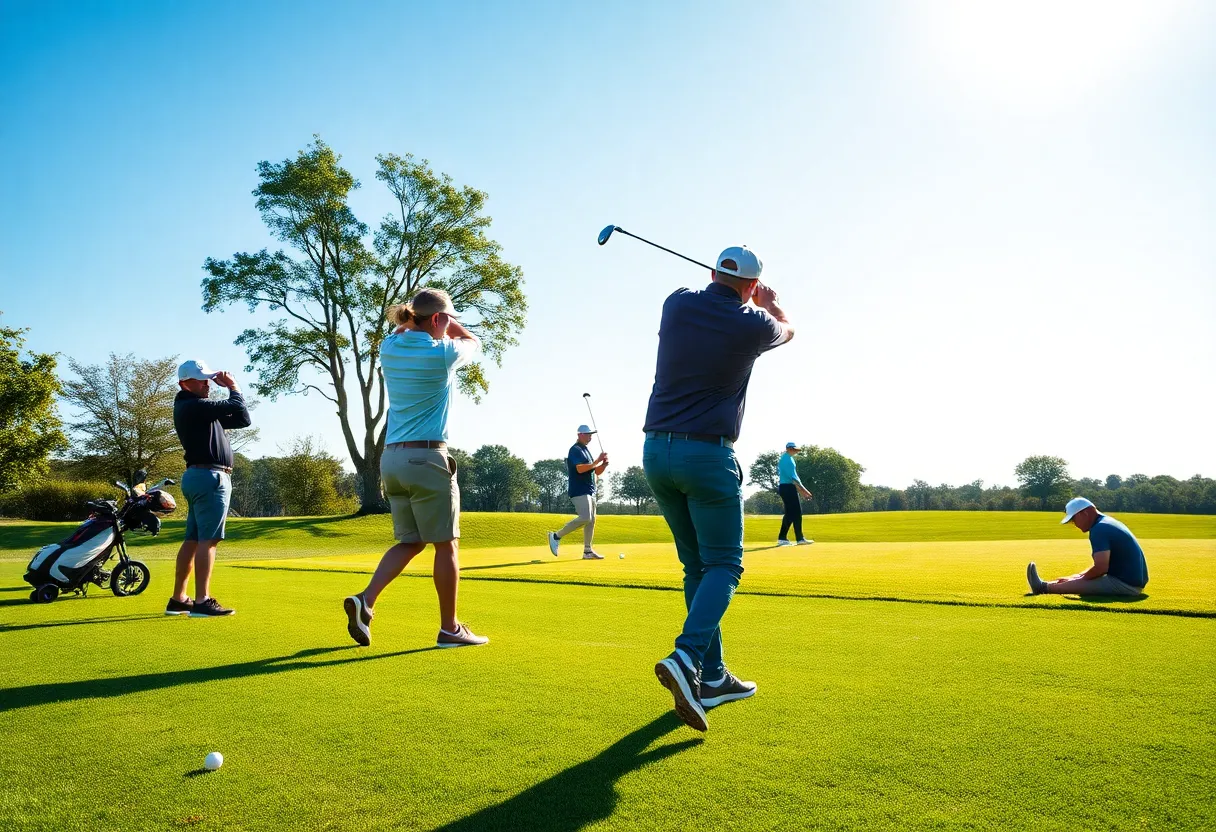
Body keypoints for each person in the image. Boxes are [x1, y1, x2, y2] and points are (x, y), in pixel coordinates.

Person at [643, 245, 795, 731]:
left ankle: (714, 676)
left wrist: (722, 281)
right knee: (726, 564)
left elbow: (699, 290)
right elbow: (788, 331)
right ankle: (687, 659)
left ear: (712, 272)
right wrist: (770, 303)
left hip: (655, 454)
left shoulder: (675, 302)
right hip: (707, 455)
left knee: (696, 567)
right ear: (751, 286)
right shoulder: (754, 324)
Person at [343, 289, 488, 649]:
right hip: (427, 457)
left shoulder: (389, 349)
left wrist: (424, 320)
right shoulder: (443, 353)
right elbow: (473, 341)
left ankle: (366, 601)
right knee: (446, 545)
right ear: (438, 319)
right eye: (447, 318)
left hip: (391, 460)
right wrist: (452, 326)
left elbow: (402, 330)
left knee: (411, 541)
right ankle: (450, 629)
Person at [169, 359, 252, 618]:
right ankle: (202, 600)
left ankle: (179, 599)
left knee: (193, 540)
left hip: (199, 476)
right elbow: (235, 403)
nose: (207, 384)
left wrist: (232, 393)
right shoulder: (193, 405)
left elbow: (243, 418)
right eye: (201, 379)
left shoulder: (195, 408)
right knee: (209, 541)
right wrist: (233, 385)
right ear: (184, 383)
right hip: (210, 478)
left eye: (207, 379)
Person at [1027, 497, 1149, 597]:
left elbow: (1101, 568)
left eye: (1074, 519)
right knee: (1079, 579)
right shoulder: (1106, 523)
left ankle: (1043, 587)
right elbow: (1101, 567)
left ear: (1085, 513)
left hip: (1126, 585)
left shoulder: (1099, 529)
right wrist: (1076, 577)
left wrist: (1078, 580)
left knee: (1081, 584)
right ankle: (1047, 585)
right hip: (1129, 581)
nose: (1074, 524)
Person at [547, 426, 608, 559]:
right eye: (587, 434)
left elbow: (595, 472)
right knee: (586, 517)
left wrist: (603, 465)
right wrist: (597, 461)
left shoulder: (586, 450)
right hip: (579, 490)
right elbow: (580, 469)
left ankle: (588, 551)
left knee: (591, 521)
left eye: (591, 434)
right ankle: (556, 536)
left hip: (590, 490)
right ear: (579, 434)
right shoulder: (575, 450)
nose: (590, 437)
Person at [777, 442, 813, 546]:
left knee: (792, 513)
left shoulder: (788, 458)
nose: (796, 451)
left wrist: (802, 492)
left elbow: (794, 479)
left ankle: (790, 538)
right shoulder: (787, 460)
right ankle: (793, 538)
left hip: (787, 487)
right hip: (787, 487)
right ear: (788, 449)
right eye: (794, 449)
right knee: (794, 513)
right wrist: (805, 491)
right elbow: (793, 479)